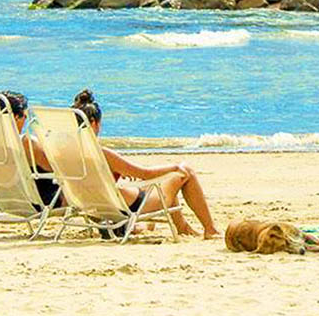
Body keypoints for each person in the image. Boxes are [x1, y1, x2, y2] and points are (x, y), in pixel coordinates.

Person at [69, 89, 219, 239]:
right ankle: (210, 230)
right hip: (128, 208)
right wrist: (174, 168)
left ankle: (181, 227)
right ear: (94, 123)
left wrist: (118, 171)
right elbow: (145, 174)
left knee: (164, 182)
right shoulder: (102, 154)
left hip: (94, 210)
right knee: (185, 171)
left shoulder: (65, 153)